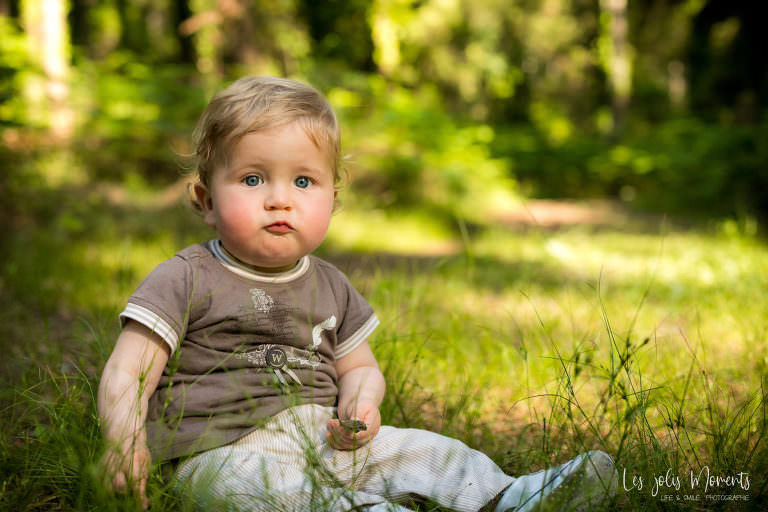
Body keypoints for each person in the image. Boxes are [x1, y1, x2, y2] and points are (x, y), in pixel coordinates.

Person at [98, 76, 617, 512]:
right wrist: (124, 443)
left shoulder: (330, 284)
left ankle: (510, 496)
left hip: (324, 436)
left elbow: (360, 368)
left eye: (304, 182)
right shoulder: (186, 277)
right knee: (258, 492)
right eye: (253, 179)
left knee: (420, 449)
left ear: (333, 198)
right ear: (206, 200)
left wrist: (361, 404)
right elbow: (128, 372)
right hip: (218, 451)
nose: (280, 199)